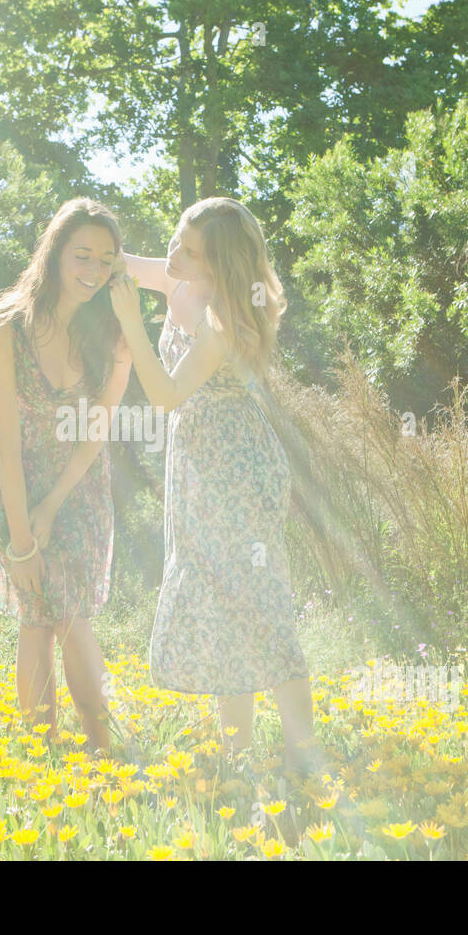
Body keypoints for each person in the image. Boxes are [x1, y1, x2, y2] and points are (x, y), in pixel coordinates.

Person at [111, 197, 326, 778]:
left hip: (236, 468)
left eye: (190, 250)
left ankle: (305, 753)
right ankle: (240, 757)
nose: (174, 254)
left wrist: (131, 322)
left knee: (257, 606)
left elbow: (165, 396)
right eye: (177, 238)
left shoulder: (226, 319)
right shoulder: (178, 274)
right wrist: (87, 240)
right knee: (225, 608)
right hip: (197, 466)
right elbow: (124, 260)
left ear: (221, 265)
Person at [0, 198, 132, 756]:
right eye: (82, 254)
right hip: (13, 479)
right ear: (55, 252)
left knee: (64, 610)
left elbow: (98, 431)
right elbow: (6, 445)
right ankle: (51, 754)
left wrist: (54, 504)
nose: (92, 270)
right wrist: (20, 540)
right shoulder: (4, 326)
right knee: (40, 612)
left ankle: (100, 747)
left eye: (106, 260)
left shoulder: (111, 334)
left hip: (78, 483)